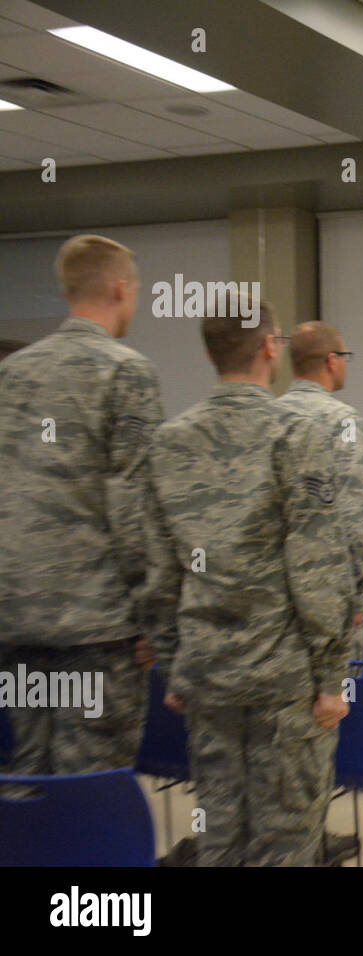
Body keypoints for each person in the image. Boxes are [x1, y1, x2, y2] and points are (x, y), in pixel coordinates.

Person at [138, 295, 357, 866]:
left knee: (219, 838)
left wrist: (173, 662)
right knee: (286, 843)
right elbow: (317, 566)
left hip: (207, 678)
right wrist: (333, 675)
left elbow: (158, 576)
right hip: (285, 684)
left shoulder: (168, 442)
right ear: (269, 348)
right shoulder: (299, 433)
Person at [0, 235, 162, 775]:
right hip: (97, 625)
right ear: (121, 287)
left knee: (27, 774)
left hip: (17, 616)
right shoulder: (125, 371)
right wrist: (153, 618)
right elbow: (133, 502)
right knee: (91, 782)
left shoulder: (13, 374)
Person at [277, 321, 363, 866]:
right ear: (333, 361)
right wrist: (358, 599)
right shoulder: (342, 423)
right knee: (319, 733)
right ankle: (308, 844)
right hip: (327, 605)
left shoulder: (268, 417)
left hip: (274, 615)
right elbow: (356, 524)